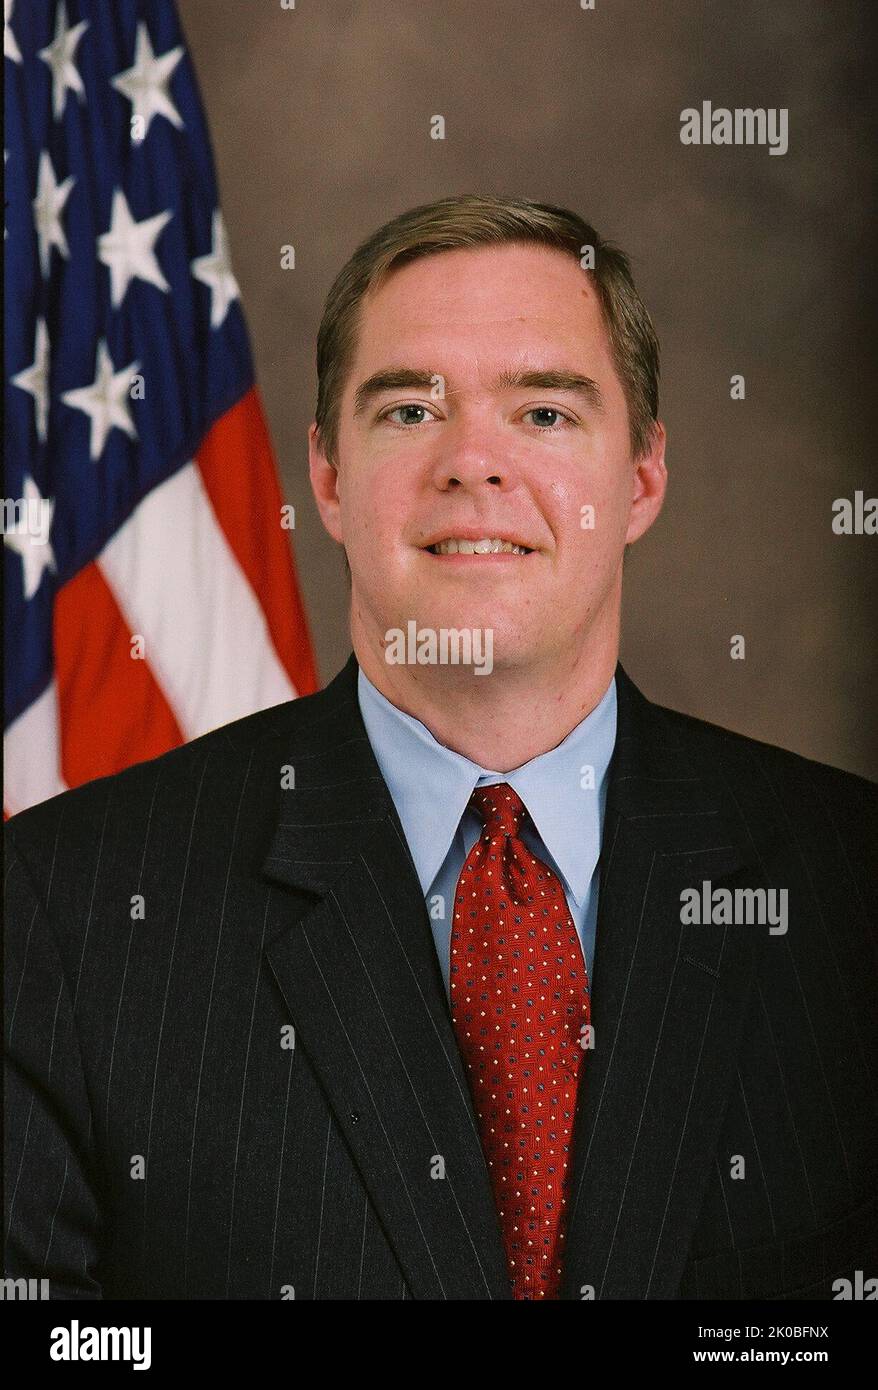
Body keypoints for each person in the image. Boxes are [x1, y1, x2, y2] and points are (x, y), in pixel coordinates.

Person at [5, 194, 876, 1300]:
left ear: (642, 476)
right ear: (325, 476)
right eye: (409, 411)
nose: (472, 461)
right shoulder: (65, 911)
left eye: (545, 414)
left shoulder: (849, 883)